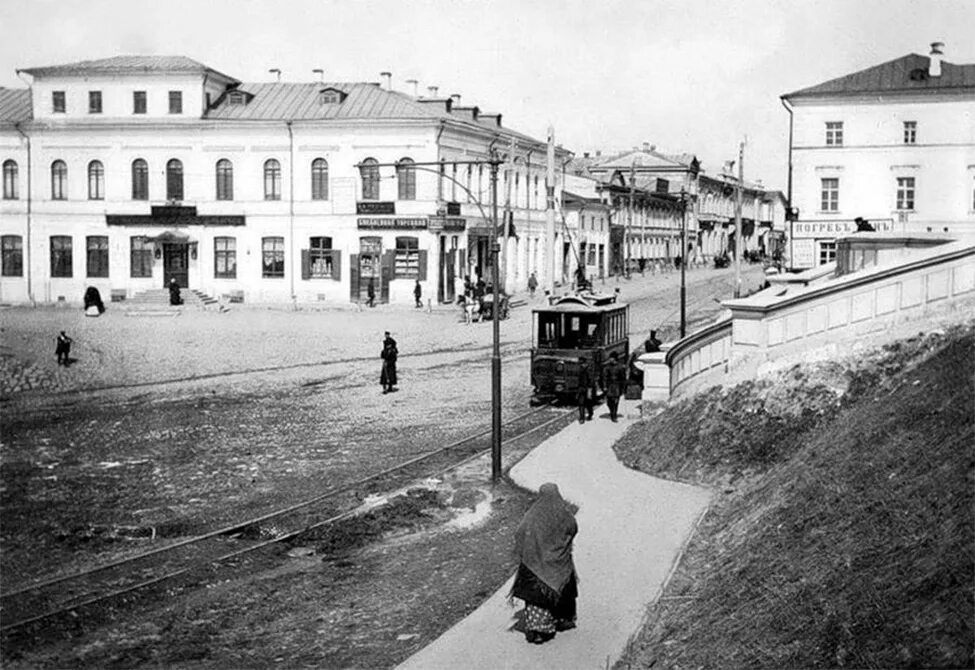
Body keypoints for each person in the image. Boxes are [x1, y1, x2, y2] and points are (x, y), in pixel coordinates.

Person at [510, 482, 578, 645]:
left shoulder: (532, 514)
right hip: (559, 563)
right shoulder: (564, 514)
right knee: (563, 591)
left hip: (536, 564)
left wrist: (527, 549)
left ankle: (538, 629)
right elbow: (573, 528)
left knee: (537, 598)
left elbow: (519, 533)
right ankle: (562, 619)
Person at [601, 351, 627, 422]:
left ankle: (614, 415)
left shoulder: (620, 367)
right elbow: (604, 377)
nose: (610, 359)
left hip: (617, 385)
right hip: (609, 385)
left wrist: (623, 388)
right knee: (609, 402)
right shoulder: (607, 367)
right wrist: (604, 386)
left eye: (611, 358)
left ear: (615, 359)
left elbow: (623, 378)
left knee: (615, 401)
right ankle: (612, 411)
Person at [575, 357, 594, 423]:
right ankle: (582, 418)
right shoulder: (580, 370)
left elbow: (591, 380)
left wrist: (590, 389)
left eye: (581, 363)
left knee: (588, 403)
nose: (581, 365)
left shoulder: (588, 370)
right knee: (581, 403)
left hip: (588, 388)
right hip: (581, 388)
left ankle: (590, 413)